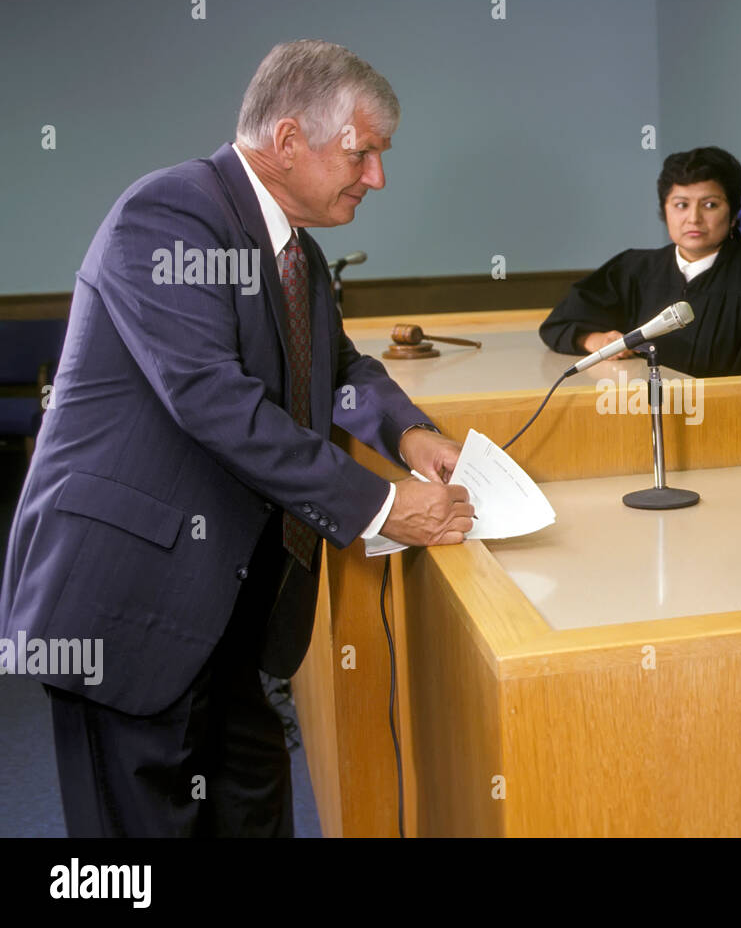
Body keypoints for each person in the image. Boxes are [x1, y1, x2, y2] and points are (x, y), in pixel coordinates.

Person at [0, 40, 475, 836]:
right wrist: (380, 505)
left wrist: (412, 433)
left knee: (250, 808)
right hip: (128, 600)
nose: (376, 179)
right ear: (288, 141)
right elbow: (212, 397)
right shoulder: (169, 213)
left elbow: (337, 368)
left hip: (231, 608)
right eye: (362, 155)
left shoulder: (299, 251)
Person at [539, 146, 741, 378]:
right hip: (641, 418)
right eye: (681, 204)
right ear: (664, 211)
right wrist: (596, 341)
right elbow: (560, 323)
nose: (693, 218)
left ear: (733, 214)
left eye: (710, 205)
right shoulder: (634, 269)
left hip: (734, 430)